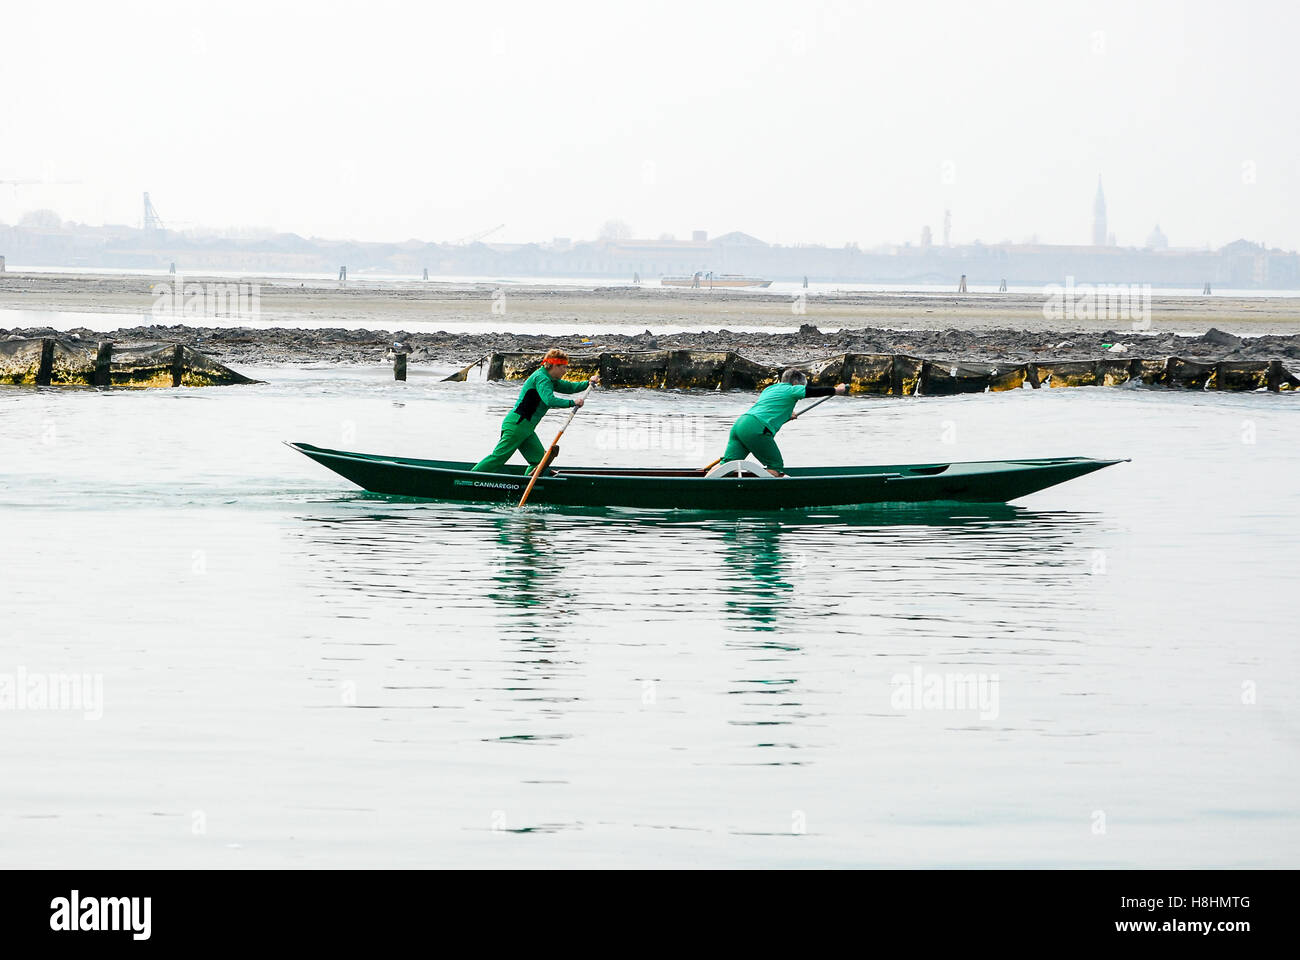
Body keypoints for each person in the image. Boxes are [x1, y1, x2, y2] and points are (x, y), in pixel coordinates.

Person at [472, 348, 598, 472]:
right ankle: (469, 479)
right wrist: (572, 402)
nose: (565, 371)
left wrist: (587, 383)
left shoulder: (550, 379)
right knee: (498, 458)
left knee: (539, 461)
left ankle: (526, 484)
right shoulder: (542, 378)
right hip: (517, 425)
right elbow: (549, 400)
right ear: (554, 366)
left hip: (526, 428)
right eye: (563, 367)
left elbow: (569, 387)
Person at [719, 369, 847, 476]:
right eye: (801, 385)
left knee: (726, 466)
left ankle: (703, 485)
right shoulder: (792, 389)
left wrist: (786, 415)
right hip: (756, 428)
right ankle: (757, 493)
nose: (801, 388)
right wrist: (835, 390)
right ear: (796, 382)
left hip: (741, 423)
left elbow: (770, 409)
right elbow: (811, 391)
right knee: (775, 466)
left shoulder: (770, 389)